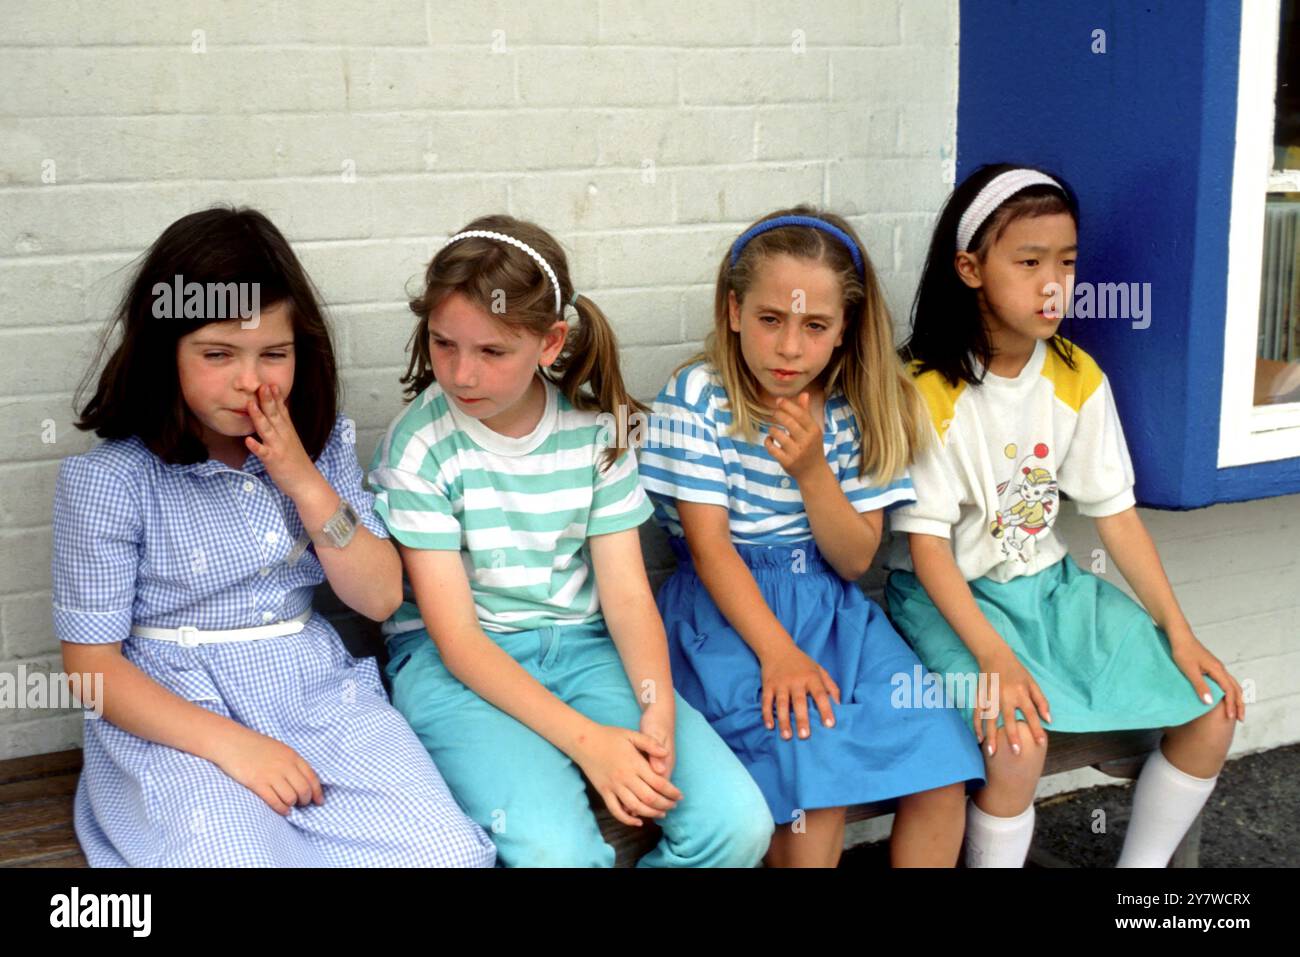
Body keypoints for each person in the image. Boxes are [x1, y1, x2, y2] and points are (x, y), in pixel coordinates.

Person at [53, 207, 496, 867]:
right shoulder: (112, 481)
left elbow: (378, 597)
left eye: (274, 354)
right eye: (217, 354)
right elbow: (92, 669)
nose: (250, 380)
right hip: (179, 716)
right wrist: (235, 745)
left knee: (447, 854)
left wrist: (304, 481)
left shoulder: (319, 447)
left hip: (313, 694)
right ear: (163, 348)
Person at [369, 214, 774, 867]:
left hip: (584, 653)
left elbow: (625, 595)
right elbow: (460, 641)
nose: (461, 373)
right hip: (458, 668)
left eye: (491, 351)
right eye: (444, 344)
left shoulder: (595, 430)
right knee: (558, 853)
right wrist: (591, 744)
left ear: (551, 342)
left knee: (737, 823)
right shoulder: (419, 444)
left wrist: (655, 708)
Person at [885, 165, 1245, 867]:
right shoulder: (921, 389)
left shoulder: (1078, 376)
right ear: (970, 268)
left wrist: (1180, 631)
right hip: (949, 600)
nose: (1054, 283)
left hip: (1050, 592)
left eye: (1068, 263)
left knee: (1211, 707)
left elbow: (1117, 517)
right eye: (1029, 262)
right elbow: (926, 551)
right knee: (1018, 737)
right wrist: (994, 659)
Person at [639, 206, 986, 867]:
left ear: (844, 329)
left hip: (834, 611)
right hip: (730, 617)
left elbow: (856, 560)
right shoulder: (698, 397)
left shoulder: (862, 405)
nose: (791, 347)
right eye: (771, 319)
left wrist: (812, 471)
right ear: (734, 310)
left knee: (942, 768)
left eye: (815, 325)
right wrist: (778, 654)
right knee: (813, 785)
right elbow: (709, 550)